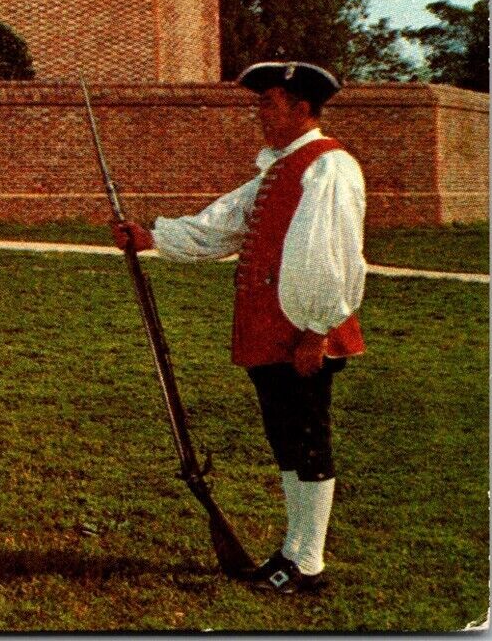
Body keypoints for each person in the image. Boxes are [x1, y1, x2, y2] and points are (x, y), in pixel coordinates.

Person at [111, 61, 365, 596]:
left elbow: (330, 253)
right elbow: (226, 222)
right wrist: (155, 236)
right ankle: (294, 551)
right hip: (273, 330)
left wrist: (316, 329)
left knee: (308, 438)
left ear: (302, 108)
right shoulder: (280, 167)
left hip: (302, 330)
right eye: (260, 103)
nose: (260, 114)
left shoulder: (328, 166)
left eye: (270, 103)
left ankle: (309, 564)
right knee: (286, 441)